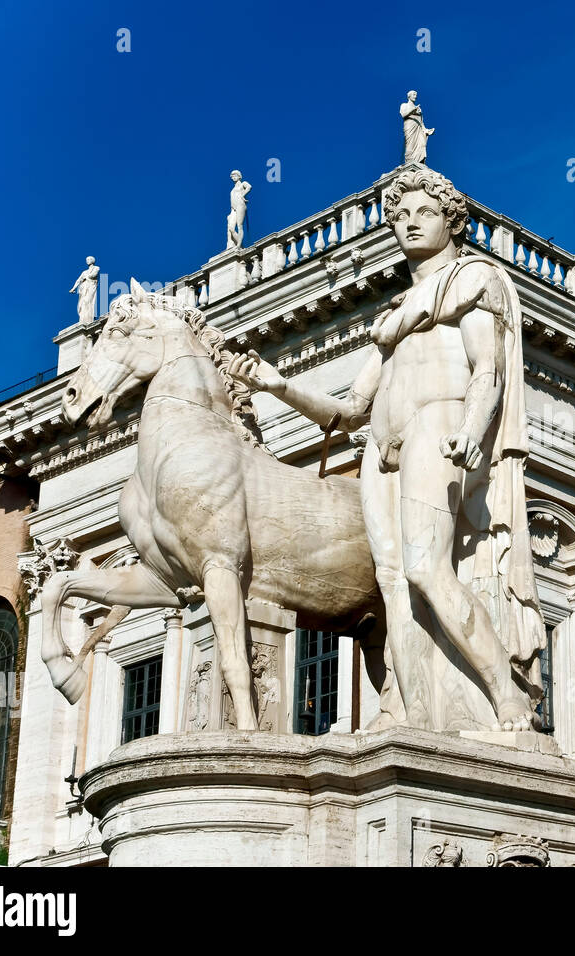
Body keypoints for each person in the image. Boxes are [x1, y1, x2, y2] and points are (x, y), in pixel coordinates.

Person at [229, 167, 543, 732]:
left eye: (423, 212)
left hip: (439, 425)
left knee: (427, 569)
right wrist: (278, 386)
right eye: (399, 217)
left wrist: (473, 428)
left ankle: (506, 694)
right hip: (382, 445)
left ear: (451, 220)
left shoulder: (470, 280)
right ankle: (410, 711)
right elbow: (349, 409)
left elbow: (488, 369)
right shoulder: (393, 316)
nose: (408, 224)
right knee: (394, 582)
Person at [400, 91, 434, 165]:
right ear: (409, 96)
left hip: (419, 128)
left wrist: (427, 130)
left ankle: (419, 162)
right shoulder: (404, 105)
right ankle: (409, 162)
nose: (415, 96)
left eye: (416, 95)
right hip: (410, 126)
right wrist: (412, 110)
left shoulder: (419, 109)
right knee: (410, 144)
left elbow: (421, 122)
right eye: (414, 95)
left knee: (421, 144)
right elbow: (403, 114)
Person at [69, 256, 99, 325]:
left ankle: (89, 319)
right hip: (83, 288)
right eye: (86, 260)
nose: (87, 261)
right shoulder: (84, 272)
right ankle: (83, 319)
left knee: (88, 301)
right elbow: (78, 280)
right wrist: (73, 288)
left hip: (91, 286)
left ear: (92, 260)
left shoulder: (96, 268)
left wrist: (85, 278)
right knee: (82, 304)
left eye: (88, 259)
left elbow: (93, 275)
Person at [226, 170, 252, 250]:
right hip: (233, 209)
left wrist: (242, 195)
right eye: (232, 176)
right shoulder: (233, 189)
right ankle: (240, 245)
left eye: (235, 175)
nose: (233, 177)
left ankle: (238, 245)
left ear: (239, 176)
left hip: (240, 205)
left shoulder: (243, 184)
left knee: (239, 226)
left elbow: (249, 187)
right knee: (231, 227)